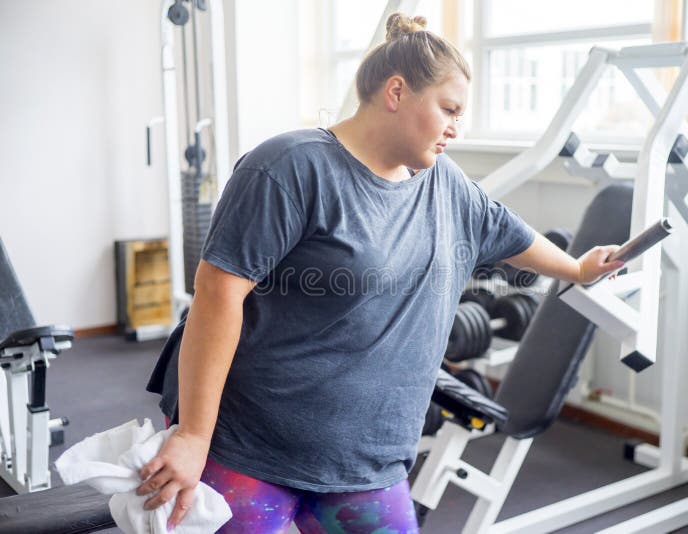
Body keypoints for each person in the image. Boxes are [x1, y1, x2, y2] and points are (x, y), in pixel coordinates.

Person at [140, 13, 623, 533]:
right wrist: (192, 435)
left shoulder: (446, 185)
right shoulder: (289, 167)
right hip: (250, 444)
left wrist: (577, 267)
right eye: (449, 109)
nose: (457, 127)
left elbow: (512, 234)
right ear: (396, 91)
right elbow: (217, 294)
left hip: (366, 461)